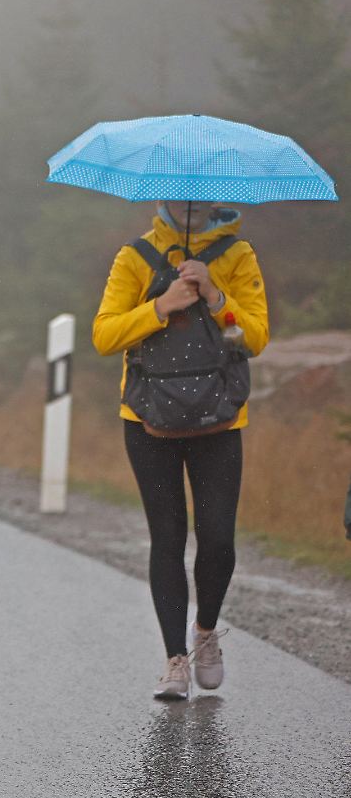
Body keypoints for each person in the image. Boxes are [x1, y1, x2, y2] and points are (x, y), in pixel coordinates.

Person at [92, 200, 269, 699]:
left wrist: (215, 295)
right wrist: (161, 306)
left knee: (218, 540)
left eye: (200, 199)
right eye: (180, 198)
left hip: (220, 417)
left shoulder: (237, 255)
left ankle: (205, 632)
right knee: (167, 538)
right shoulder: (136, 257)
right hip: (147, 418)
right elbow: (104, 336)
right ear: (164, 198)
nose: (190, 207)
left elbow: (251, 339)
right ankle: (175, 660)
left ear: (215, 200)